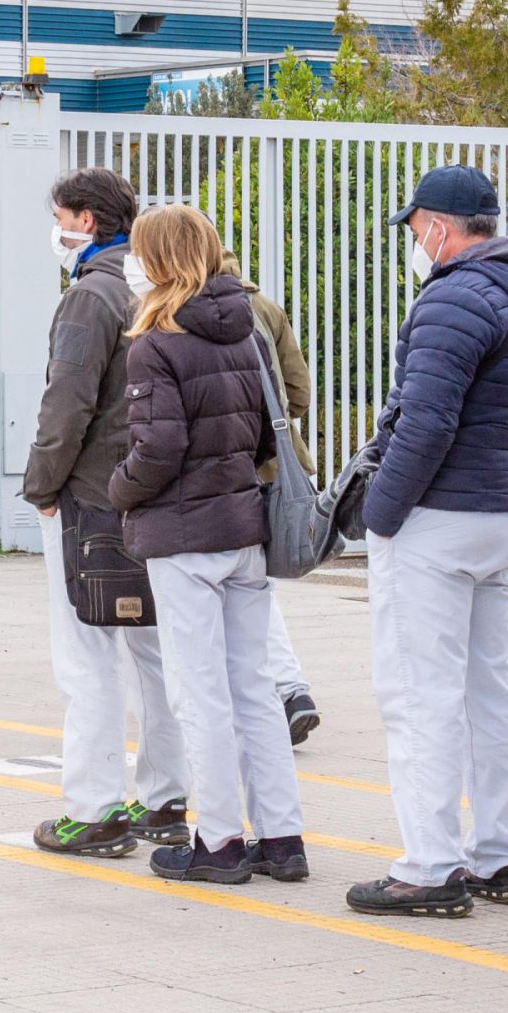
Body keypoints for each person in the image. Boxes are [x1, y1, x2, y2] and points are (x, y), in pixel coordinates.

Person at [345, 165, 508, 919]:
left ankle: (430, 866)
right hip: (502, 511)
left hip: (439, 516)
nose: (414, 241)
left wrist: (380, 516)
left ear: (437, 227)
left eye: (416, 226)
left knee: (419, 692)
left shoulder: (453, 297)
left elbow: (425, 421)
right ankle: (500, 853)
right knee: (490, 687)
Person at [107, 204, 306, 884]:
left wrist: (121, 489)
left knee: (200, 692)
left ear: (158, 258)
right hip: (243, 526)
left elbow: (157, 447)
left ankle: (217, 840)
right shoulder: (243, 330)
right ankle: (281, 836)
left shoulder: (156, 340)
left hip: (184, 536)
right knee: (254, 686)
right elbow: (261, 436)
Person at [22, 168, 187, 855]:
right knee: (154, 651)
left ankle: (92, 808)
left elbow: (68, 401)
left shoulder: (92, 295)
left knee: (86, 656)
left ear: (85, 220)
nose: (55, 229)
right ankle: (166, 795)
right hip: (152, 491)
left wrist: (41, 483)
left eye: (58, 215)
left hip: (89, 493)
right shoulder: (158, 283)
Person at [221, 250, 323, 746]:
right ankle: (289, 689)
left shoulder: (179, 308)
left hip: (232, 470)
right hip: (277, 466)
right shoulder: (263, 305)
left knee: (242, 589)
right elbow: (298, 395)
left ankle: (282, 690)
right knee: (256, 586)